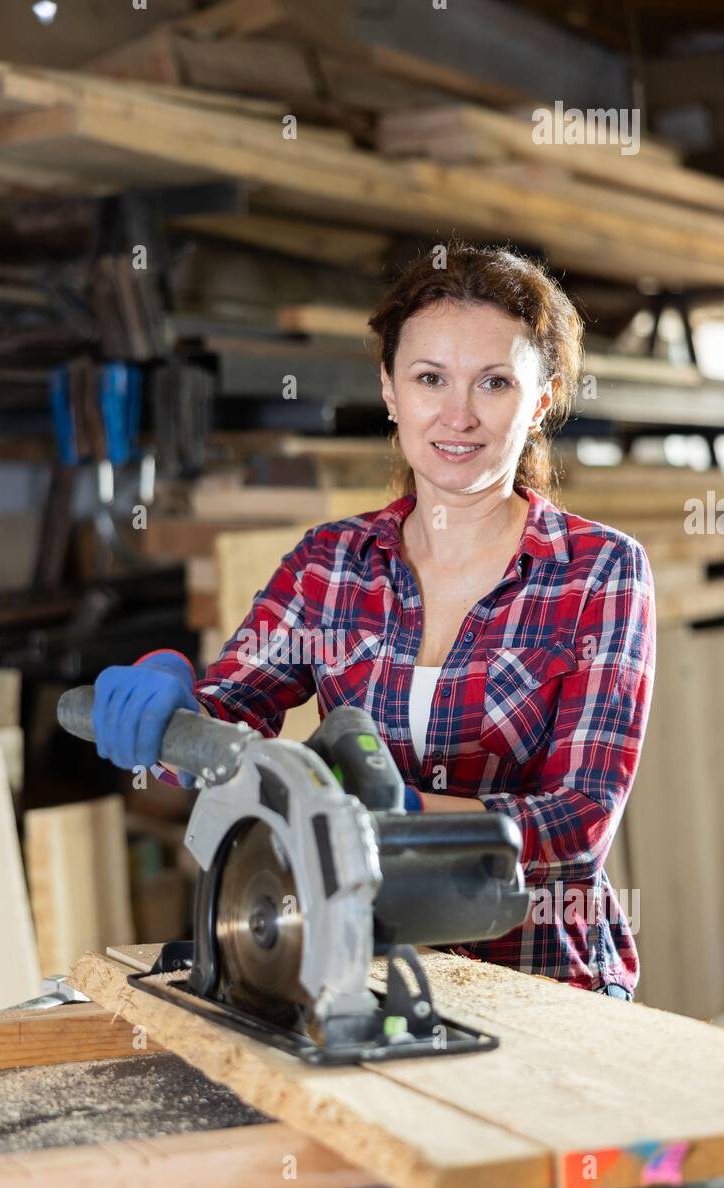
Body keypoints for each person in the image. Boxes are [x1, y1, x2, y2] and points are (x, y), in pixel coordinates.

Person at [92, 241, 655, 1000]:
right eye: (430, 379)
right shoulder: (331, 565)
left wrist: (403, 816)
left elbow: (578, 821)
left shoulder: (599, 571)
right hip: (360, 972)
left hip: (545, 982)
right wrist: (171, 708)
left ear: (542, 398)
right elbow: (222, 724)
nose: (458, 415)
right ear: (389, 389)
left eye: (494, 382)